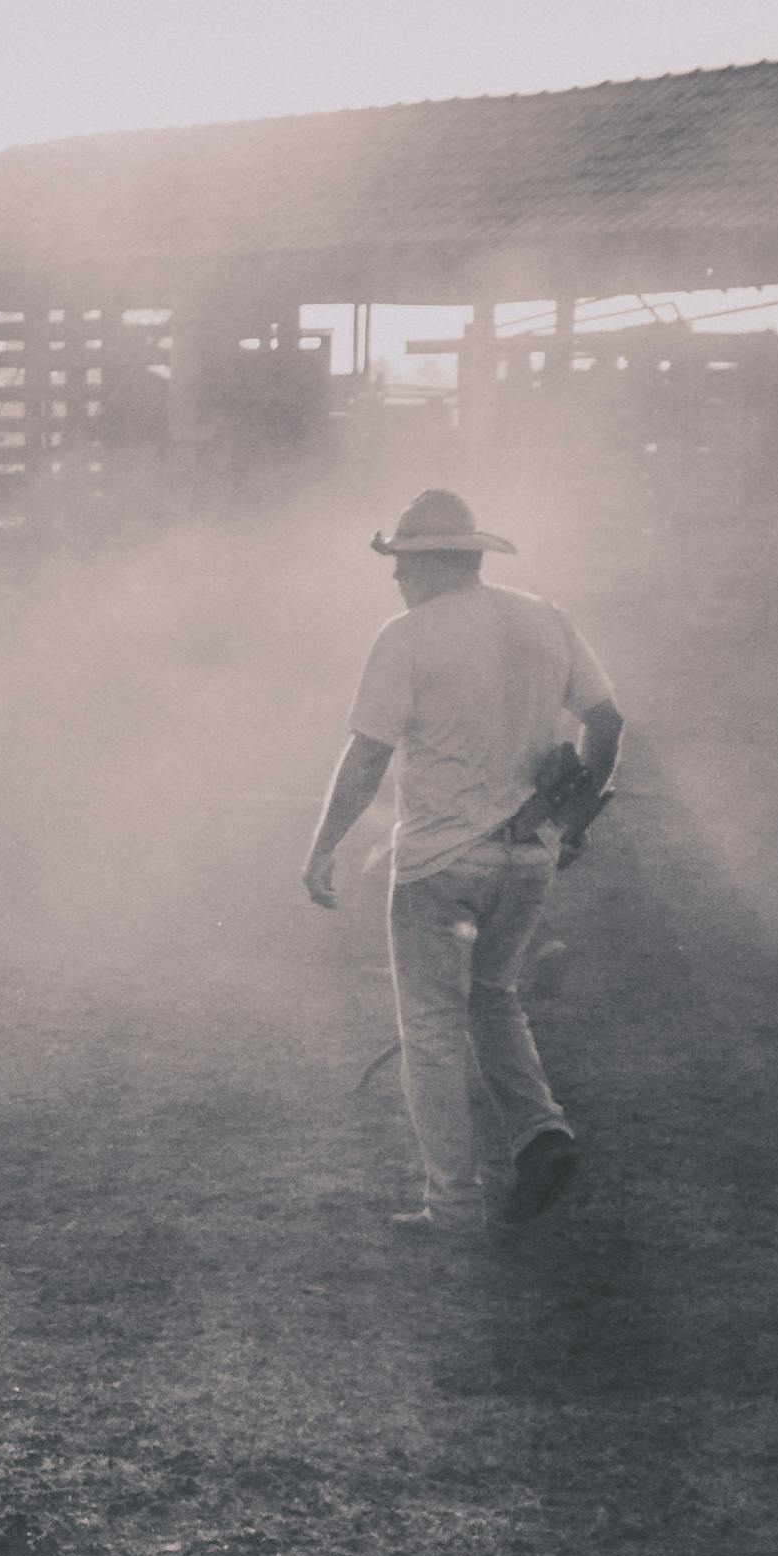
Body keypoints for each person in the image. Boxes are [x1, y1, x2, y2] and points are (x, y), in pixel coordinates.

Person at [301, 487, 623, 1226]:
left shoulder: (406, 637)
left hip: (439, 863)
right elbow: (606, 722)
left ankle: (450, 1201)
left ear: (437, 561)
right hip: (528, 857)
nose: (396, 576)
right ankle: (542, 1131)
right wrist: (572, 819)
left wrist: (323, 846)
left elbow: (367, 756)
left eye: (404, 562)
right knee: (494, 997)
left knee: (432, 1030)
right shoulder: (546, 618)